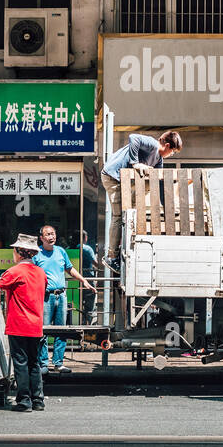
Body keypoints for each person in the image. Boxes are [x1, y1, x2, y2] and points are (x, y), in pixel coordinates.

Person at [0, 234, 49, 412]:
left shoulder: (14, 272)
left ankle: (24, 400)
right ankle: (38, 400)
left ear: (19, 252)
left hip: (18, 324)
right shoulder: (41, 273)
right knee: (34, 363)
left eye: (14, 250)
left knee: (20, 363)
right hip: (36, 325)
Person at [100, 130, 183, 270]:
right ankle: (111, 256)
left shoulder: (158, 161)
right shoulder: (152, 144)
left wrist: (168, 207)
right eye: (173, 152)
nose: (171, 155)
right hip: (112, 177)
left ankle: (123, 247)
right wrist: (135, 163)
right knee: (118, 216)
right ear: (167, 145)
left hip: (125, 183)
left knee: (130, 213)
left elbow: (159, 184)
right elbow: (133, 137)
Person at [35, 224, 95, 374]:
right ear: (41, 238)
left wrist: (84, 281)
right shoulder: (36, 254)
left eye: (53, 234)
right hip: (45, 297)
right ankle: (43, 363)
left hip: (61, 295)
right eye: (48, 234)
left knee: (62, 330)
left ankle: (58, 363)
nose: (51, 237)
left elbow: (70, 269)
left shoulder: (61, 251)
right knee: (42, 331)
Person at [78, 230, 98, 324]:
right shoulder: (87, 249)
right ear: (85, 238)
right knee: (89, 303)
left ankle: (79, 320)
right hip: (88, 279)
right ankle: (87, 322)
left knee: (78, 301)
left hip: (75, 280)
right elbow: (95, 263)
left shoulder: (70, 248)